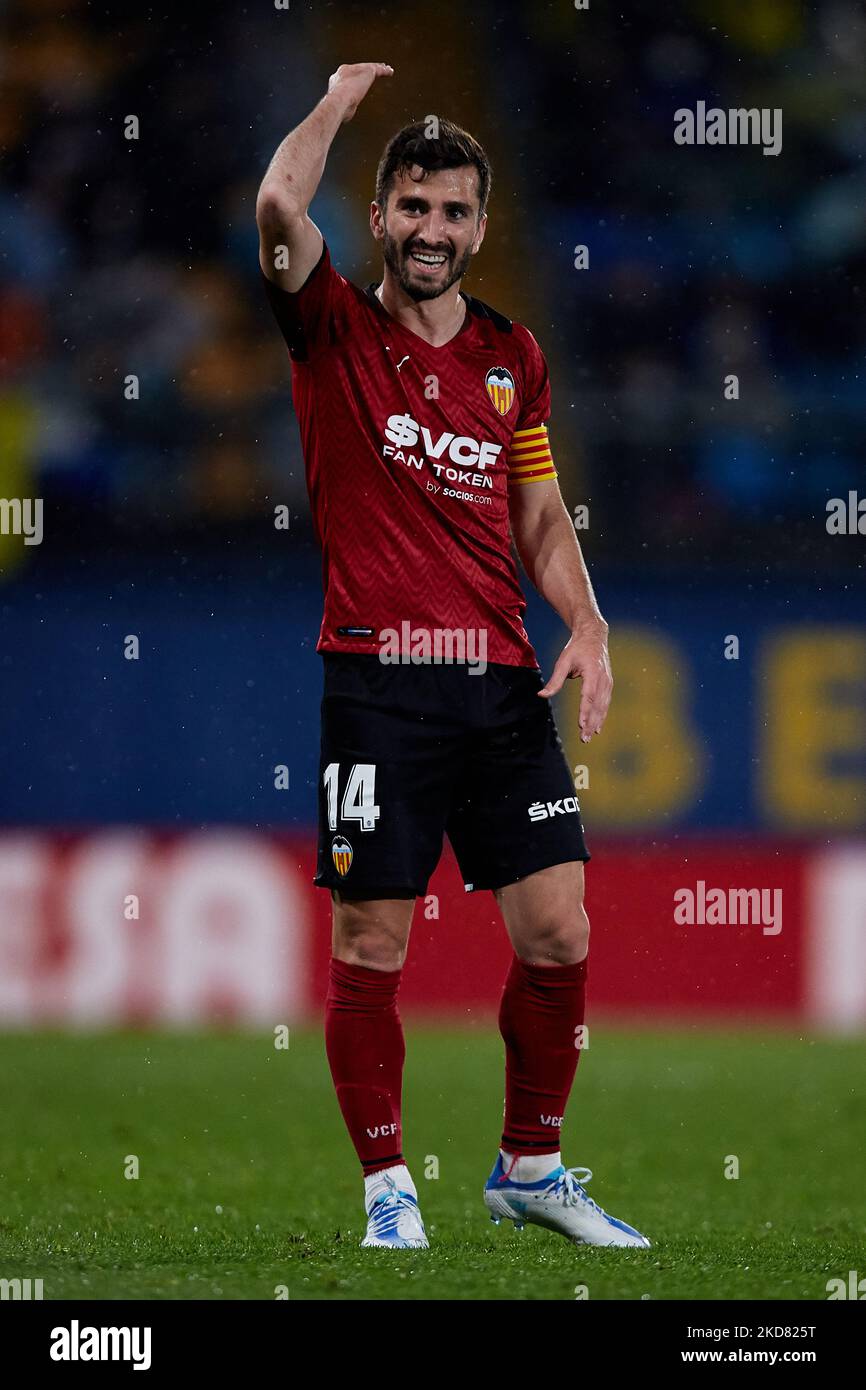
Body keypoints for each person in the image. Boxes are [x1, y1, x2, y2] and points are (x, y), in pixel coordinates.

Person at [257, 62, 649, 1251]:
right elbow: (279, 207)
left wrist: (582, 619)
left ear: (480, 226)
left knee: (561, 932)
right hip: (375, 683)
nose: (431, 230)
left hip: (496, 684)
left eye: (453, 211)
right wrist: (331, 104)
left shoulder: (510, 356)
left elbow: (536, 508)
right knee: (371, 944)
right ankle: (386, 1188)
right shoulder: (328, 323)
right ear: (376, 218)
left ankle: (528, 1166)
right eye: (411, 207)